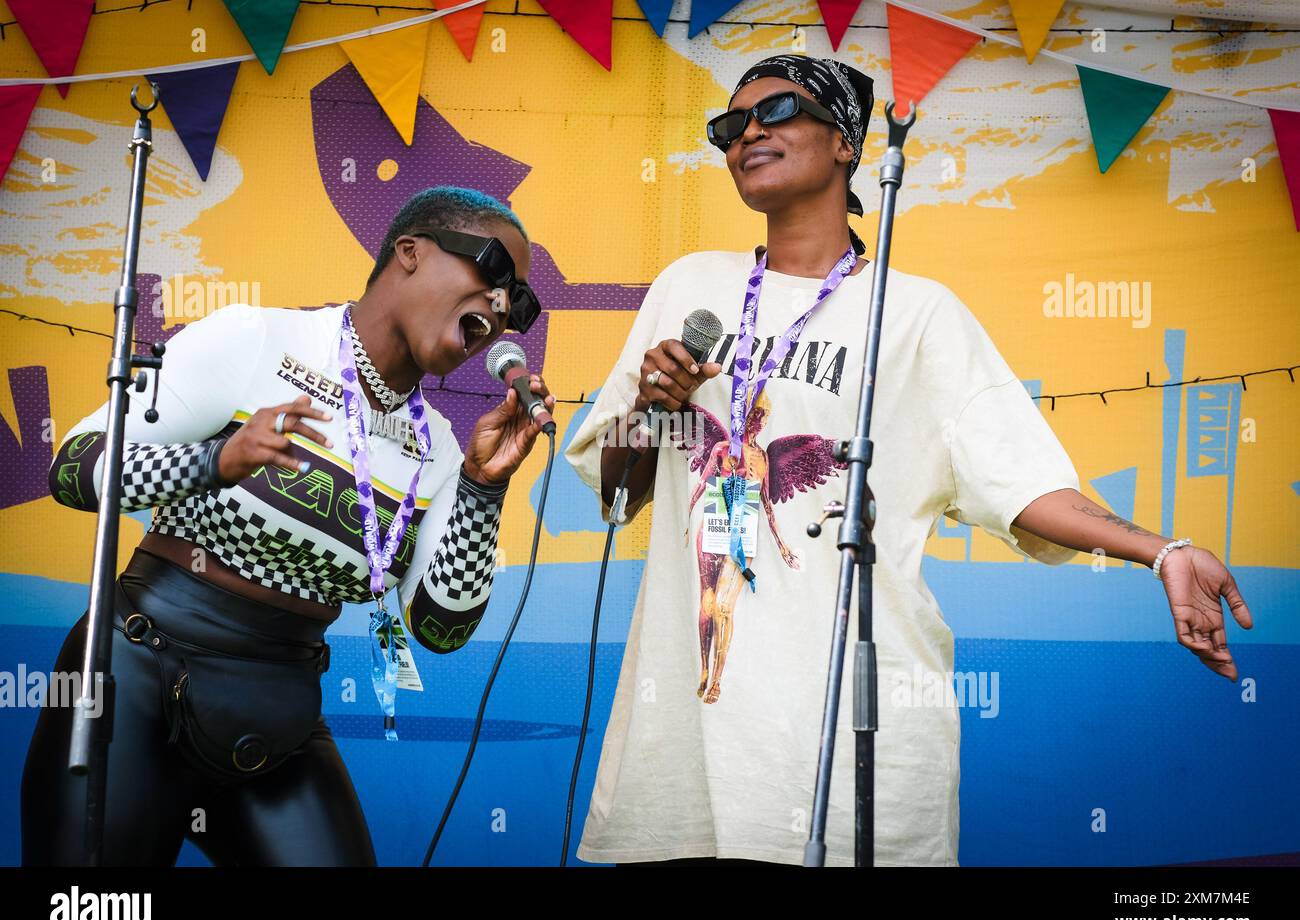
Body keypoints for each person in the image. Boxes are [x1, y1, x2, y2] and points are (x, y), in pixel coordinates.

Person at [564, 54, 1254, 866]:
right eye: (729, 124)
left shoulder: (917, 312)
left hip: (859, 748)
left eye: (777, 109)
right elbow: (618, 495)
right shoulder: (689, 287)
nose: (748, 130)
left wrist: (1161, 550)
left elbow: (1024, 485)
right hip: (687, 756)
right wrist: (652, 407)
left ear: (848, 142)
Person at [25, 185, 554, 866]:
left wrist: (484, 487)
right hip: (136, 671)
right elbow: (73, 467)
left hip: (279, 707)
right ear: (411, 253)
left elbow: (440, 628)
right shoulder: (258, 340)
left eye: (521, 303)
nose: (504, 306)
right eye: (492, 271)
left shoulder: (445, 453)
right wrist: (215, 460)